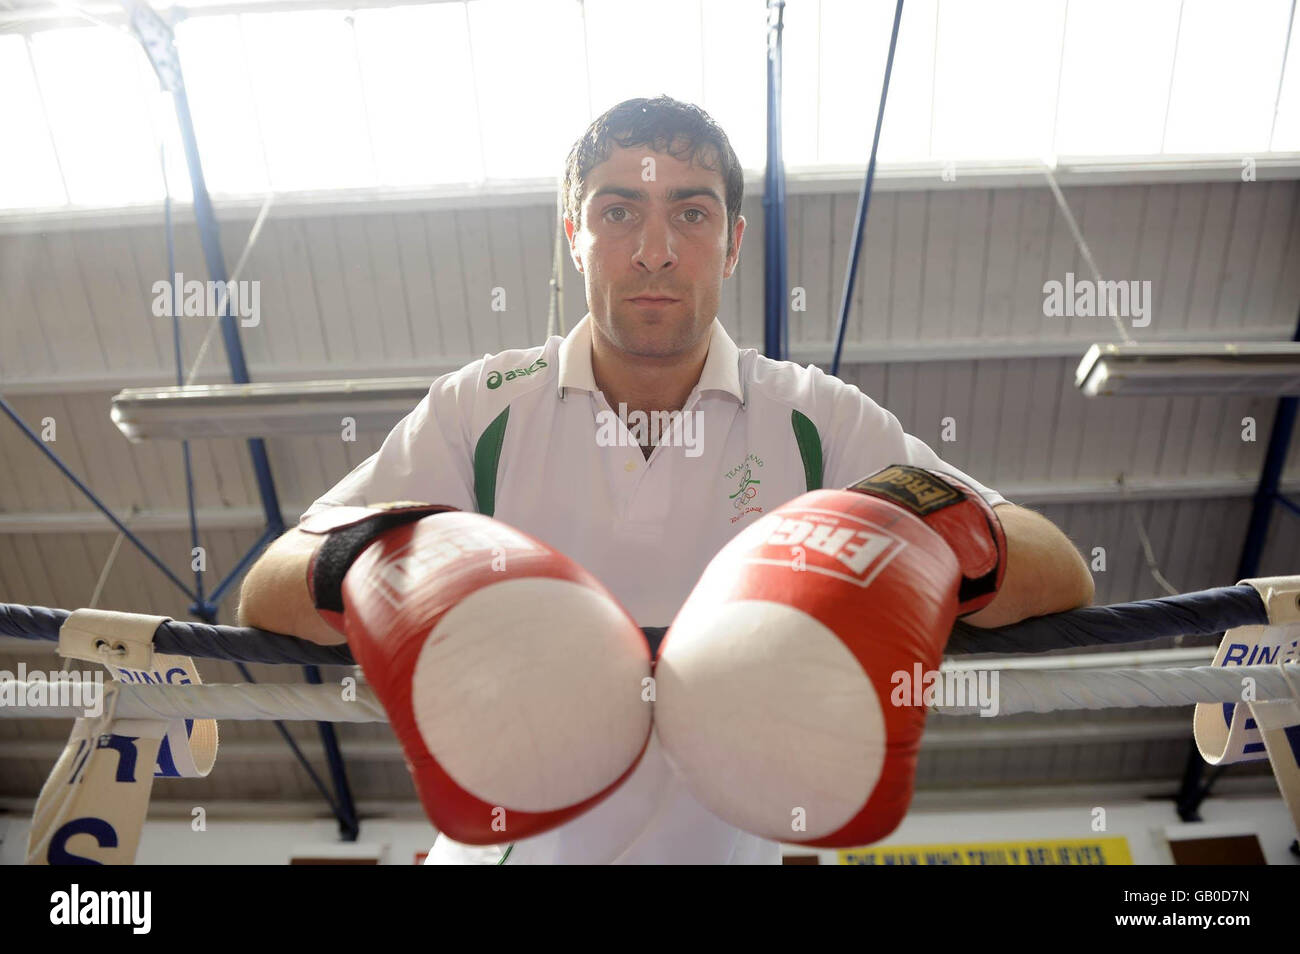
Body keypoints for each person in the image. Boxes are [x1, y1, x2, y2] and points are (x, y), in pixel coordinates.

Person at [238, 95, 1095, 864]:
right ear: (572, 234)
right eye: (619, 212)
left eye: (691, 212)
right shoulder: (481, 406)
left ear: (731, 244)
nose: (655, 251)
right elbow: (269, 587)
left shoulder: (815, 417)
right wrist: (396, 568)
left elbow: (1060, 569)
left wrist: (922, 547)